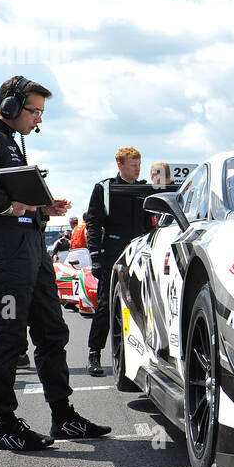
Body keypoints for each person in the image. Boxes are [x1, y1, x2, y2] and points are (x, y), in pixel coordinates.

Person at [0, 76, 110, 450]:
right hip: (7, 256)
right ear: (10, 106)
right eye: (34, 111)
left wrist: (43, 207)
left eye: (41, 112)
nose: (38, 120)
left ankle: (63, 416)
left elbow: (15, 195)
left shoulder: (9, 142)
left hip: (32, 251)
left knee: (53, 332)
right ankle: (6, 425)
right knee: (7, 339)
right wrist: (6, 207)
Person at [85, 146, 152, 376]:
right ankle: (94, 353)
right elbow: (93, 223)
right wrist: (94, 256)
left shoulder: (146, 189)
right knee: (105, 305)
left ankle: (141, 355)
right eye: (133, 166)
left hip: (141, 253)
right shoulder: (105, 188)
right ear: (120, 165)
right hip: (113, 253)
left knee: (143, 305)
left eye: (139, 165)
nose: (137, 170)